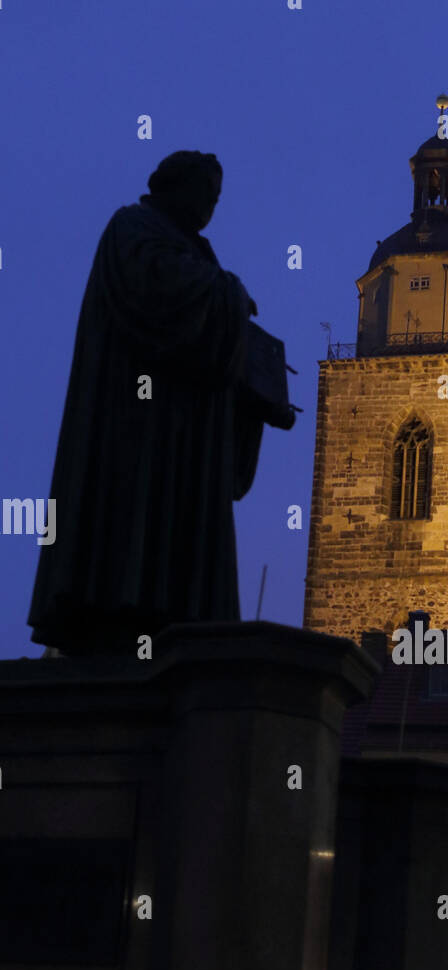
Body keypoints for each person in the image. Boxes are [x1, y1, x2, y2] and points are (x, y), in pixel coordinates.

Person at [29, 150, 292, 656]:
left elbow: (211, 343)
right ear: (173, 186)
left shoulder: (192, 252)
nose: (209, 208)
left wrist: (255, 402)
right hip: (133, 427)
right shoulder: (132, 228)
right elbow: (162, 296)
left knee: (172, 548)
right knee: (130, 533)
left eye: (215, 200)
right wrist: (230, 296)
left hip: (183, 441)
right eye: (204, 195)